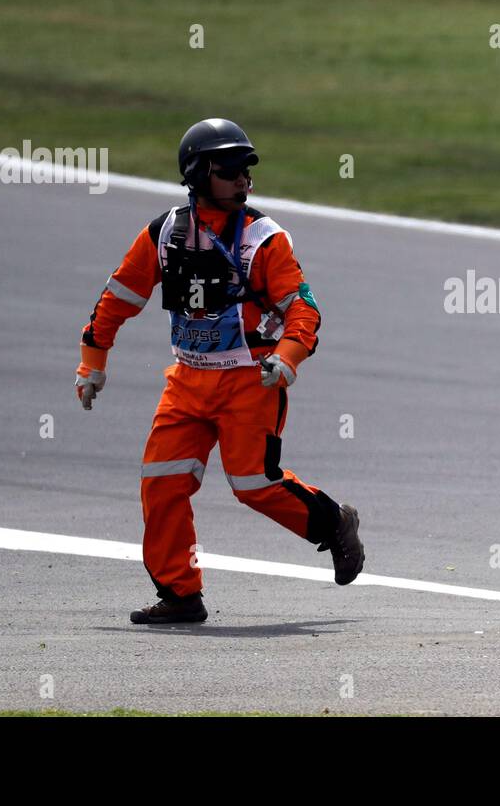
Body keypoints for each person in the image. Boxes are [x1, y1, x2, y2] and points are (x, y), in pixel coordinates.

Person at [75, 118, 364, 624]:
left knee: (253, 483)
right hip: (187, 382)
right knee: (161, 482)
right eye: (228, 168)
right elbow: (118, 295)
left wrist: (287, 358)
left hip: (252, 380)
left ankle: (333, 521)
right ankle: (180, 594)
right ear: (196, 172)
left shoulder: (265, 240)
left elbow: (304, 309)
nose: (242, 178)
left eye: (246, 168)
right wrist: (92, 362)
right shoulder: (164, 233)